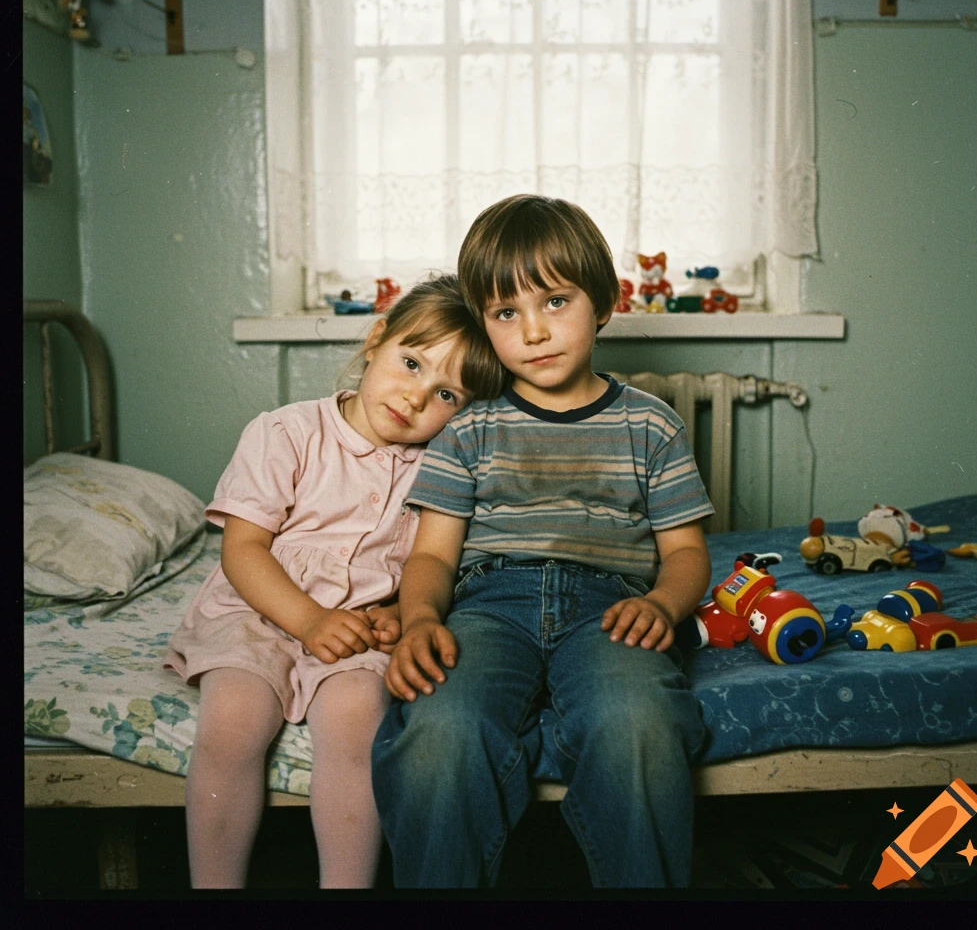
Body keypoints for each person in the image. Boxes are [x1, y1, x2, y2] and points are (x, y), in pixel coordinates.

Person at [371, 195, 715, 889]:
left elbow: (685, 553)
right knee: (441, 731)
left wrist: (664, 606)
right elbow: (433, 555)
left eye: (555, 301)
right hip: (489, 606)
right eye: (506, 313)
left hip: (609, 606)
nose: (533, 331)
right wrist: (417, 622)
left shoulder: (652, 426)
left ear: (605, 301)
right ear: (484, 324)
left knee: (639, 724)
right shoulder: (467, 427)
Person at [163, 274, 506, 889]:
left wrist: (400, 611)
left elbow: (434, 564)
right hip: (259, 608)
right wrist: (309, 622)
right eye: (410, 362)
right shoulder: (287, 433)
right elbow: (243, 551)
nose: (415, 396)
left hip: (360, 624)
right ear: (376, 341)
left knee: (358, 716)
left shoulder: (444, 471)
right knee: (233, 720)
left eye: (447, 394)